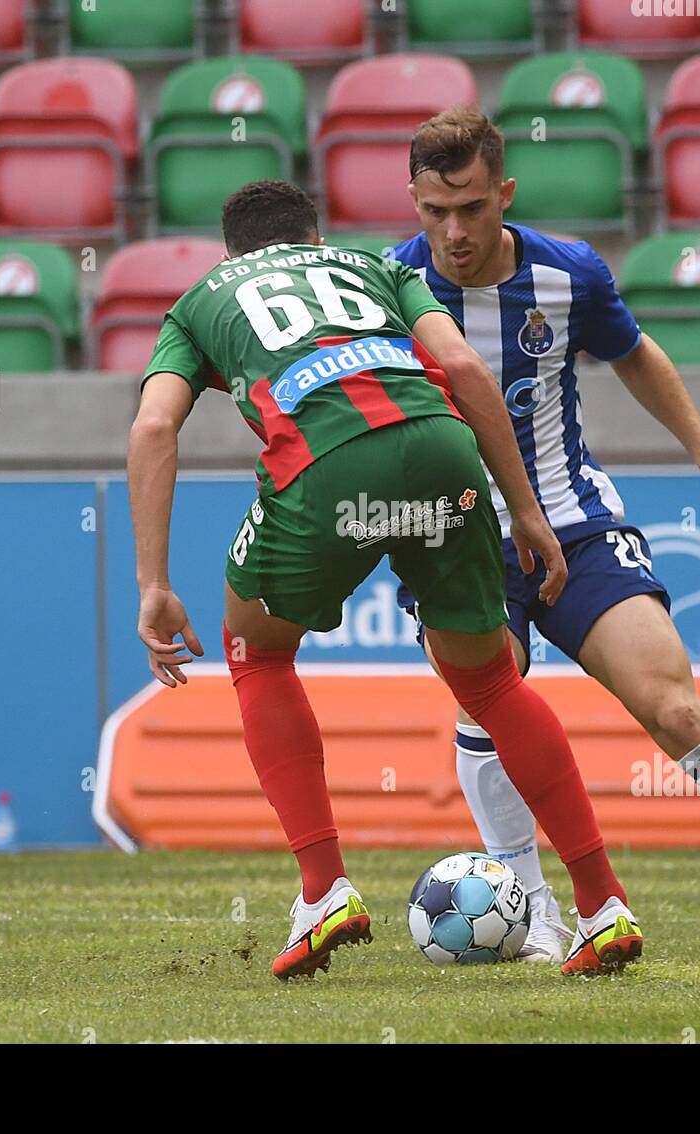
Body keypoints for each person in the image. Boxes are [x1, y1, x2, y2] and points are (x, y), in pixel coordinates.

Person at [392, 108, 700, 964]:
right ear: (415, 202)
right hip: (461, 542)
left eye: (470, 206)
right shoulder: (391, 287)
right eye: (435, 211)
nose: (453, 231)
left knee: (676, 708)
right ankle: (534, 914)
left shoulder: (567, 273)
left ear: (504, 193)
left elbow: (636, 354)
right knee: (486, 707)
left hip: (574, 524)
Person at [130, 179, 644, 980]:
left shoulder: (201, 300)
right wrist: (527, 511)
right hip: (444, 449)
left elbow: (156, 424)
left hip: (326, 470)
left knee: (258, 653)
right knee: (493, 687)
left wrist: (152, 581)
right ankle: (603, 906)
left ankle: (323, 889)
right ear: (313, 236)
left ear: (232, 254)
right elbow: (468, 370)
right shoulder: (374, 266)